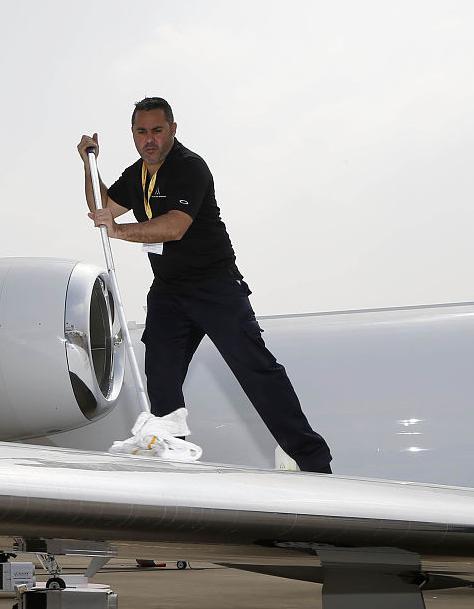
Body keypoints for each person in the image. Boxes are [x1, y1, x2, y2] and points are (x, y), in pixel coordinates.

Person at [78, 96, 332, 473]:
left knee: (256, 370)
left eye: (157, 131)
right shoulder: (139, 174)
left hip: (215, 287)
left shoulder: (189, 167)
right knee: (161, 374)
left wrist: (118, 230)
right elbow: (105, 206)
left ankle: (313, 462)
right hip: (168, 290)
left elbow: (175, 227)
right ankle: (172, 456)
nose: (149, 139)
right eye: (141, 131)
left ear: (173, 130)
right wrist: (88, 164)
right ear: (133, 134)